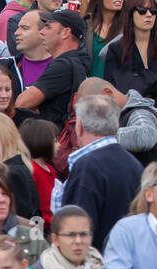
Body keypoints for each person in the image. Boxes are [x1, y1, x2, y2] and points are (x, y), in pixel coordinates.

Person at [59, 92, 145, 252]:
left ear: (79, 126)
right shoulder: (134, 164)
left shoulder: (86, 167)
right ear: (117, 125)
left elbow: (75, 227)